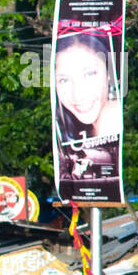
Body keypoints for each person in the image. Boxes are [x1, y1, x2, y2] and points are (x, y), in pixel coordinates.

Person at [53, 31, 121, 181]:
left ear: (109, 72)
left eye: (89, 74)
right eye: (64, 80)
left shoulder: (112, 117)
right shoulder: (68, 129)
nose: (78, 94)